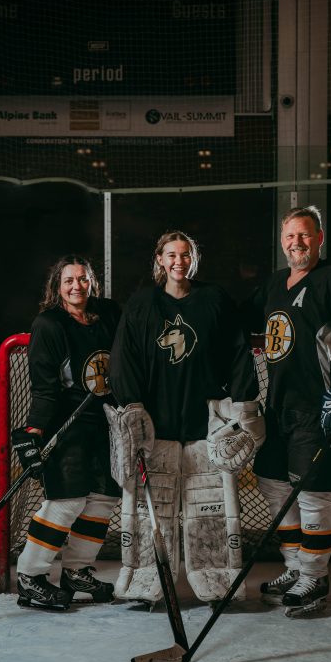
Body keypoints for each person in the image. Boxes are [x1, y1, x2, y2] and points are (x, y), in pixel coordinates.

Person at [106, 230, 264, 605]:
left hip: (203, 426)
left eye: (186, 254)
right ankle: (144, 581)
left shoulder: (214, 300)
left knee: (209, 513)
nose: (179, 261)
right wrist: (131, 406)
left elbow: (239, 351)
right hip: (154, 428)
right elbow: (123, 355)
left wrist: (243, 405)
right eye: (171, 255)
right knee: (150, 514)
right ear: (160, 260)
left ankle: (218, 580)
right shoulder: (143, 303)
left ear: (194, 259)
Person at [242, 206, 331, 616]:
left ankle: (315, 577)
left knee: (315, 495)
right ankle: (295, 566)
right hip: (280, 409)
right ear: (282, 242)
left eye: (303, 235)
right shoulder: (275, 284)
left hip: (318, 410)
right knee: (273, 484)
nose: (295, 243)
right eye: (289, 237)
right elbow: (240, 321)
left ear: (319, 238)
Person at [11, 254, 121, 610]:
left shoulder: (107, 315)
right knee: (67, 500)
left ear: (92, 282)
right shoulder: (49, 323)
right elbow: (44, 387)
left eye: (83, 279)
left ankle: (77, 571)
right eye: (69, 280)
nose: (77, 286)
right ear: (57, 287)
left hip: (105, 422)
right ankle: (31, 575)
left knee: (103, 498)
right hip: (68, 423)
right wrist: (34, 431)